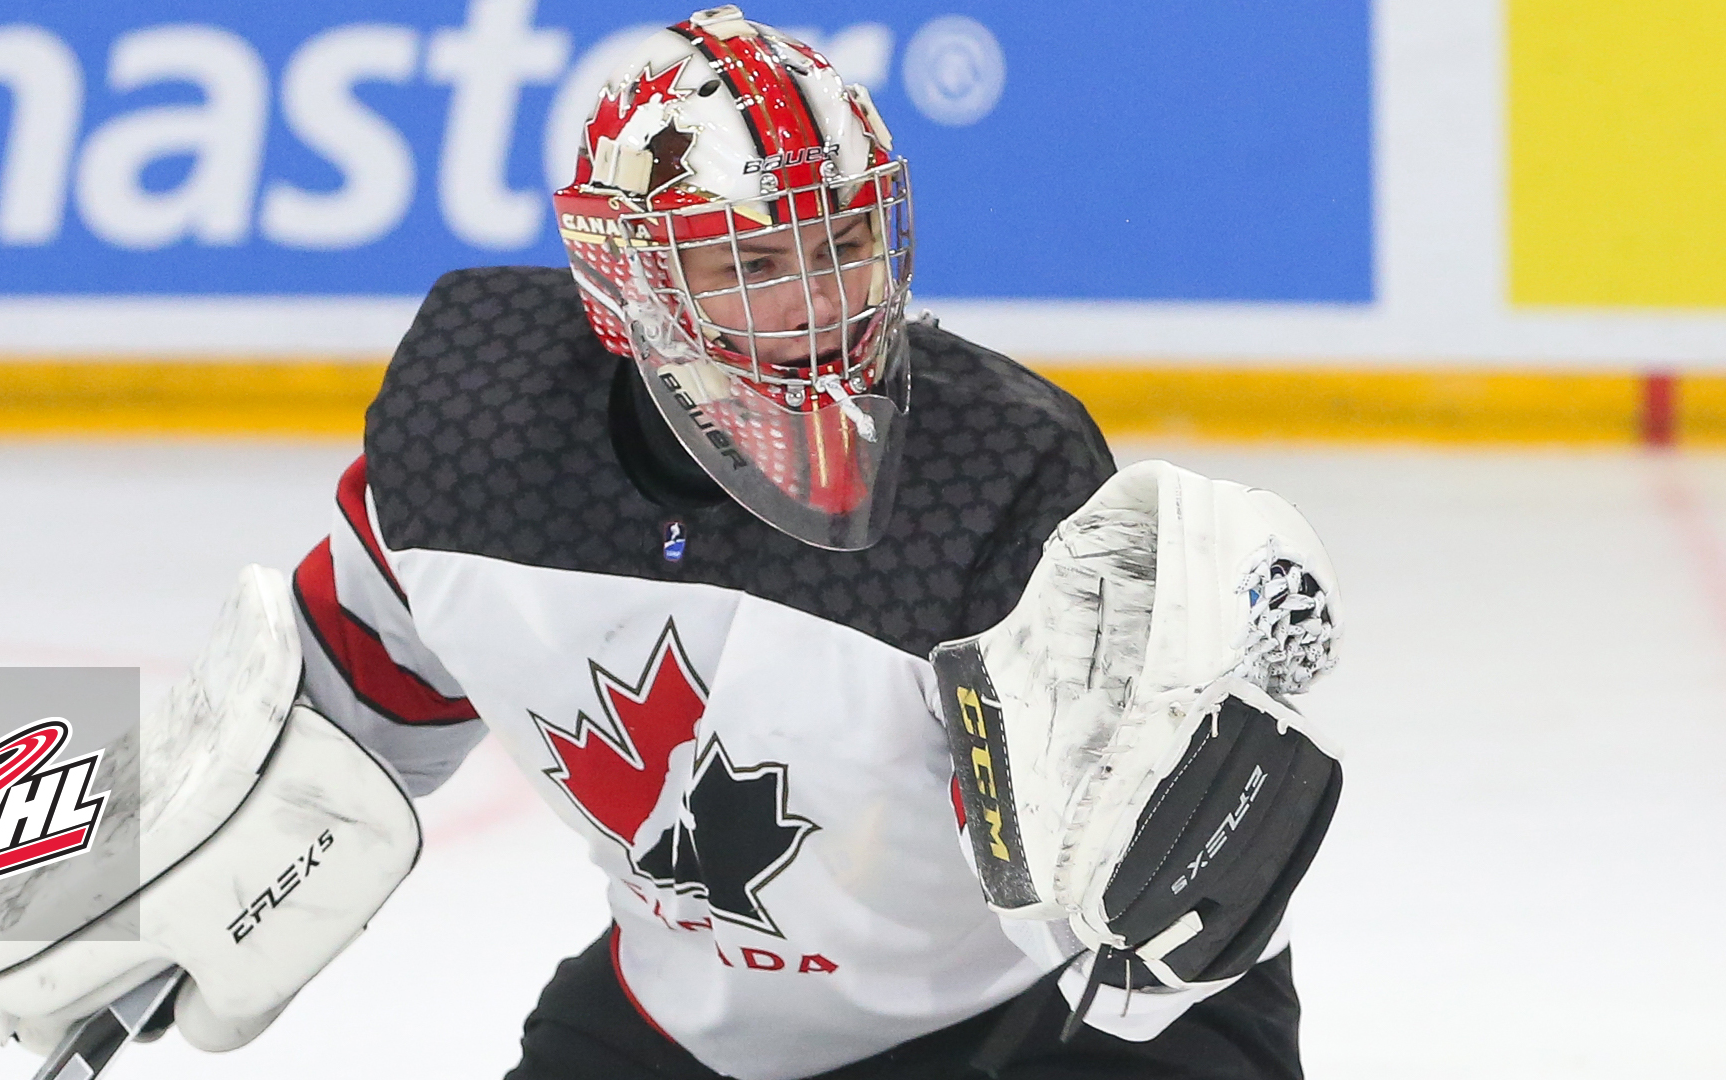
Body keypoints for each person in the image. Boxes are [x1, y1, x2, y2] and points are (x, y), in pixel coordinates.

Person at [290, 7, 1305, 1078]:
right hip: (697, 1024)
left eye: (847, 241)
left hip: (1045, 1012)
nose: (819, 305)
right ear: (625, 279)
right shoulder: (479, 432)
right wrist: (121, 894)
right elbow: (317, 728)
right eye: (755, 259)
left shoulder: (998, 474)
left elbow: (1107, 881)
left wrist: (1170, 780)